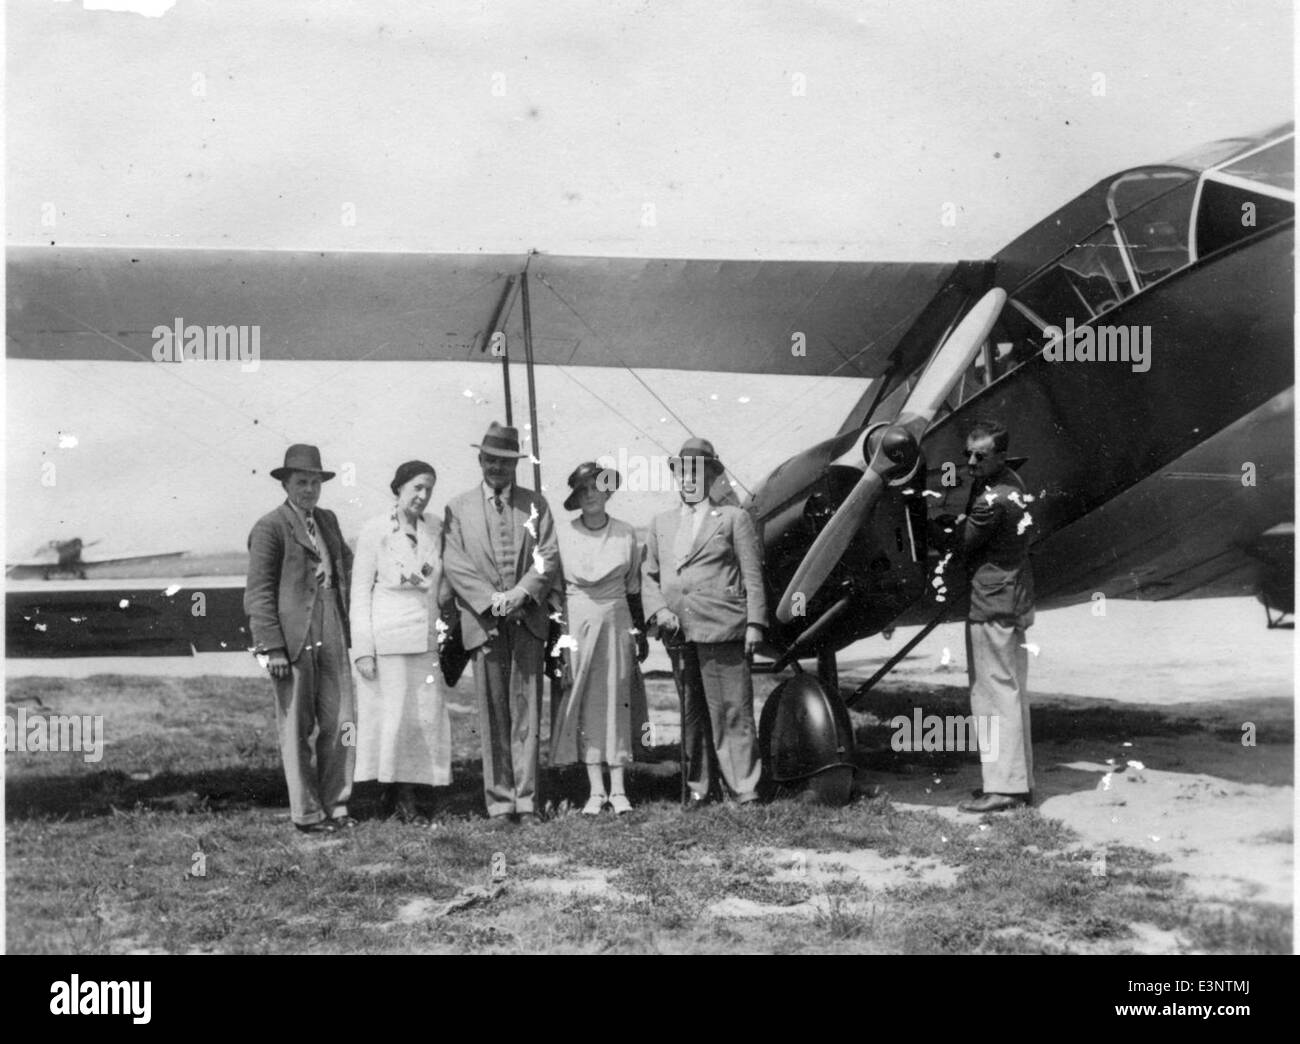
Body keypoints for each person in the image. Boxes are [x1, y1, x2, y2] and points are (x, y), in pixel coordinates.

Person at [442, 422, 561, 824]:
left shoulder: (536, 505)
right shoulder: (457, 509)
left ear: (515, 465)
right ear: (480, 461)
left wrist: (520, 595)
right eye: (490, 460)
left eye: (505, 461)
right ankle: (499, 801)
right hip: (485, 623)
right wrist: (493, 603)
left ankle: (526, 800)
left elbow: (547, 556)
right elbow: (455, 564)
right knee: (493, 715)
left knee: (526, 711)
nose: (497, 467)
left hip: (527, 620)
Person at [643, 437, 766, 807]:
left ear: (711, 476)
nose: (689, 479)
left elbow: (752, 574)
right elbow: (648, 576)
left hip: (723, 628)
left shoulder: (733, 518)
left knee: (732, 710)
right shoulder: (661, 523)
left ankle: (744, 788)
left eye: (698, 472)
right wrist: (659, 611)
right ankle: (699, 787)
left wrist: (756, 624)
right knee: (691, 714)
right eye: (683, 472)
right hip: (678, 631)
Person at [245, 444, 356, 835]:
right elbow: (258, 593)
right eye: (301, 482)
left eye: (314, 482)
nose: (309, 489)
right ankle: (307, 814)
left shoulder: (328, 521)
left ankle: (336, 804)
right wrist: (271, 647)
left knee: (342, 721)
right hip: (293, 638)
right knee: (296, 726)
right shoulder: (270, 527)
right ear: (286, 484)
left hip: (332, 628)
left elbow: (346, 566)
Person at [350, 461, 453, 823]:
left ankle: (424, 792)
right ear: (399, 488)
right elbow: (360, 593)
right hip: (386, 640)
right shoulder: (374, 531)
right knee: (390, 719)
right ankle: (391, 796)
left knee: (424, 718)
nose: (422, 496)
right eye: (416, 488)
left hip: (425, 637)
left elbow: (442, 579)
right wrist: (363, 649)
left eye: (429, 489)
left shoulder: (436, 529)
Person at [550, 461, 650, 815]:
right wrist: (560, 641)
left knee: (616, 696)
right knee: (586, 700)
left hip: (617, 619)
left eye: (597, 487)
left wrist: (638, 633)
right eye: (583, 490)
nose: (591, 495)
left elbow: (634, 587)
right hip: (578, 620)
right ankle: (595, 790)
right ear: (577, 498)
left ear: (608, 491)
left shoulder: (626, 534)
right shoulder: (564, 534)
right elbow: (555, 591)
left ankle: (619, 789)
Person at [954, 419, 1036, 814]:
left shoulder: (991, 502)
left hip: (991, 604)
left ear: (999, 456)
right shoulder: (1012, 485)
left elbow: (963, 543)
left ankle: (1004, 788)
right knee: (1011, 691)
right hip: (1012, 599)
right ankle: (1016, 783)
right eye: (968, 454)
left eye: (980, 456)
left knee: (992, 695)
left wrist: (925, 521)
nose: (970, 462)